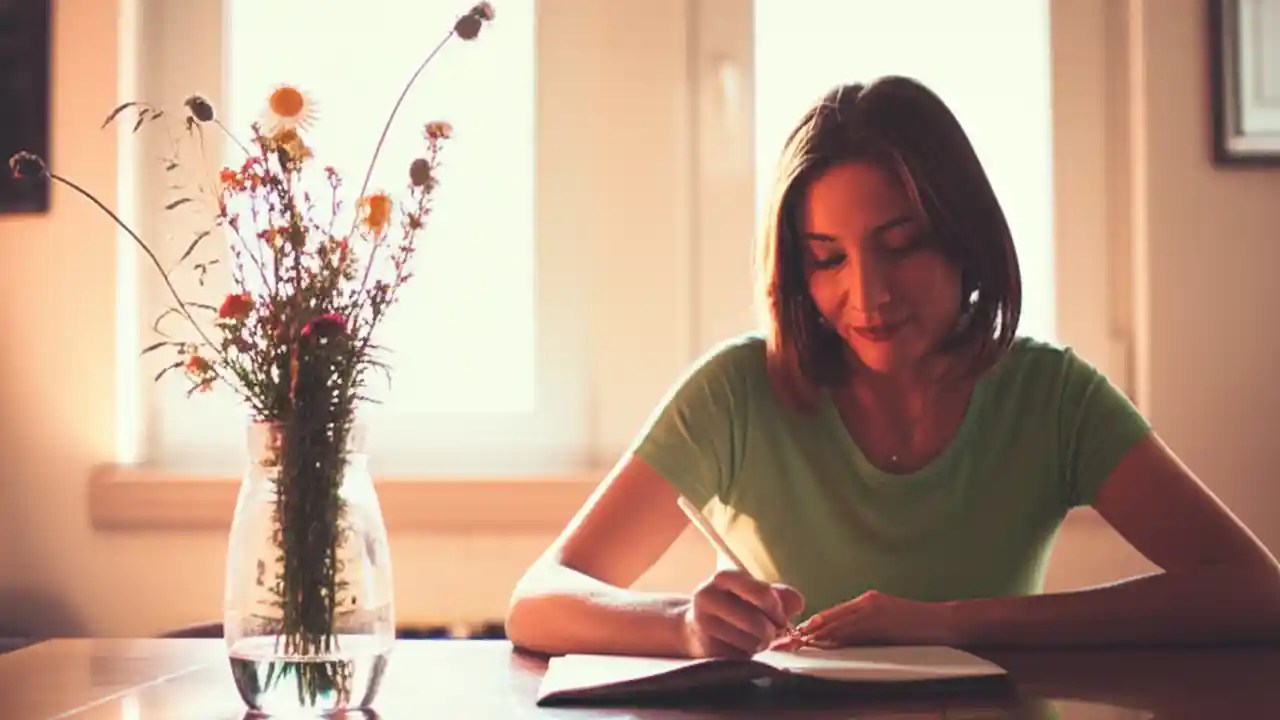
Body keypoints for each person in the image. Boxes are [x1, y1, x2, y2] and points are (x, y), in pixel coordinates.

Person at [504, 76, 1280, 659]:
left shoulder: (1050, 396)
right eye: (825, 259)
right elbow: (538, 600)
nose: (865, 295)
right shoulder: (739, 391)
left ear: (963, 234)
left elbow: (1255, 592)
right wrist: (683, 625)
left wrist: (950, 623)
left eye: (900, 245)